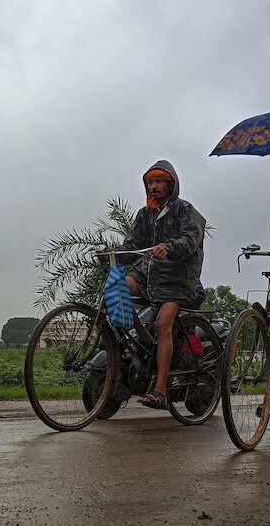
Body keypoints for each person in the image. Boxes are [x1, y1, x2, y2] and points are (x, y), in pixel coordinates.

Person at [109, 159, 206, 410]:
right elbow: (132, 245)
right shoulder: (145, 214)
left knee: (164, 324)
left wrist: (168, 247)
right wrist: (114, 254)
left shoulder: (184, 210)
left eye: (159, 181)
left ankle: (160, 389)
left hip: (178, 277)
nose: (153, 186)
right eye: (150, 182)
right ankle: (142, 335)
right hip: (149, 273)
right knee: (115, 289)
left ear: (171, 185)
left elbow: (191, 239)